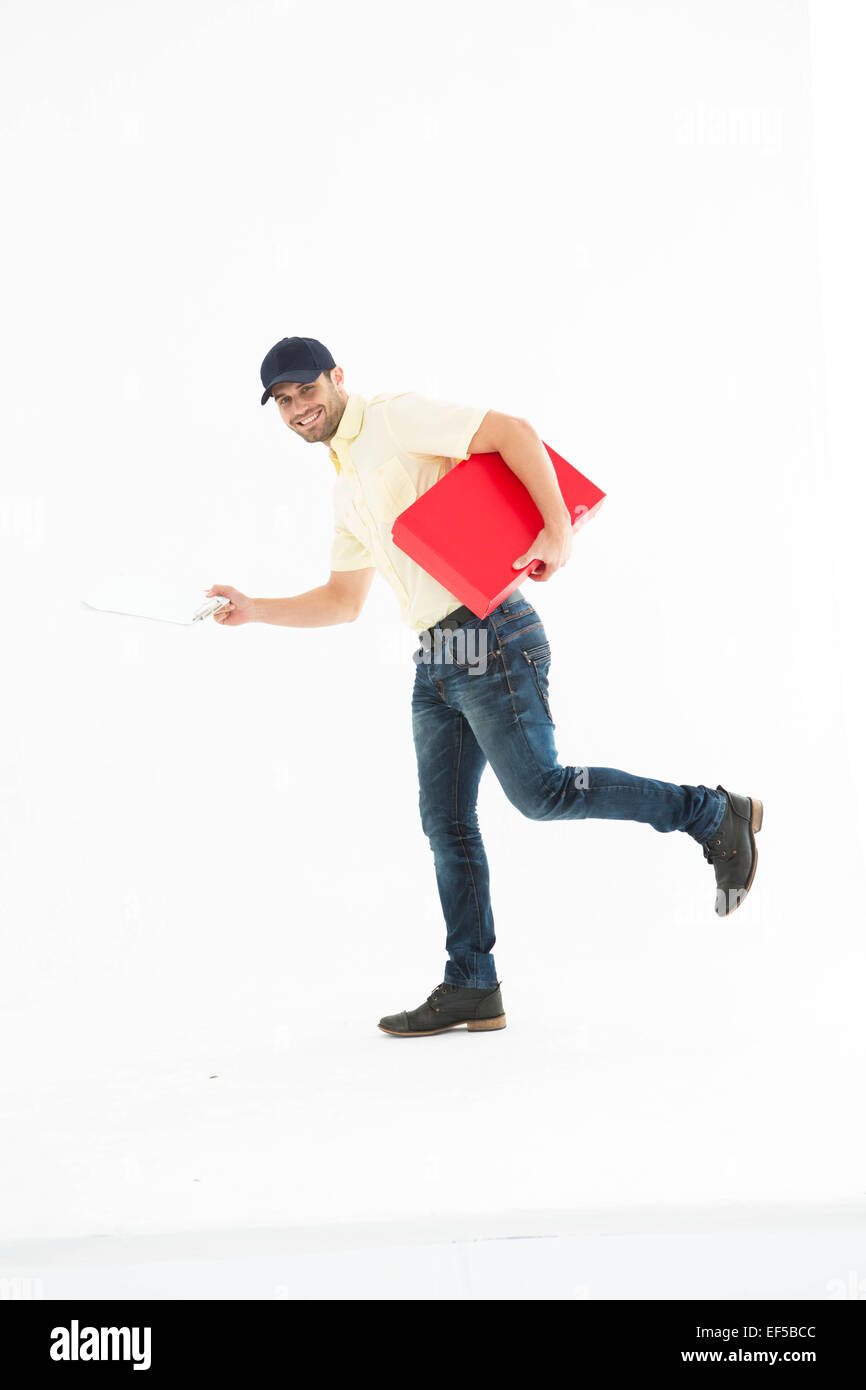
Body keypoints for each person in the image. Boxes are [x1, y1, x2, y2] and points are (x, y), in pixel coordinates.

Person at [205, 336, 763, 1038]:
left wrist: (557, 531)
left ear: (336, 377)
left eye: (305, 390)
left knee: (541, 791)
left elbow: (512, 433)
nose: (297, 408)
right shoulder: (346, 485)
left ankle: (713, 814)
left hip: (489, 631)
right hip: (437, 657)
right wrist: (256, 609)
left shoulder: (393, 417)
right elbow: (343, 602)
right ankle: (471, 982)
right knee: (447, 824)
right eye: (283, 401)